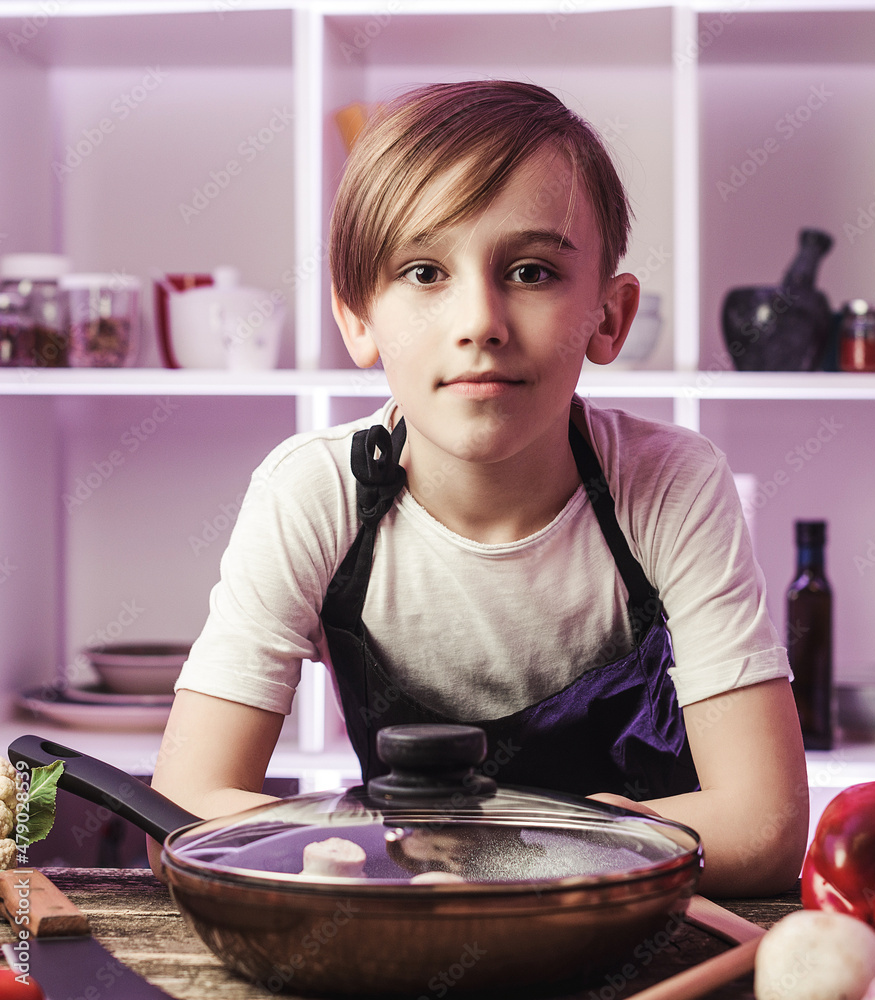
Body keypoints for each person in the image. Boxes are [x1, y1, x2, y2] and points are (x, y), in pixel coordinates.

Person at [151, 80, 808, 895]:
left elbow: (768, 827)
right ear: (358, 317)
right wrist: (372, 847)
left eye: (531, 271)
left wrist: (528, 850)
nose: (480, 321)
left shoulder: (668, 484)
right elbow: (182, 807)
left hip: (634, 934)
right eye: (425, 271)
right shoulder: (310, 494)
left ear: (610, 315)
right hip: (414, 926)